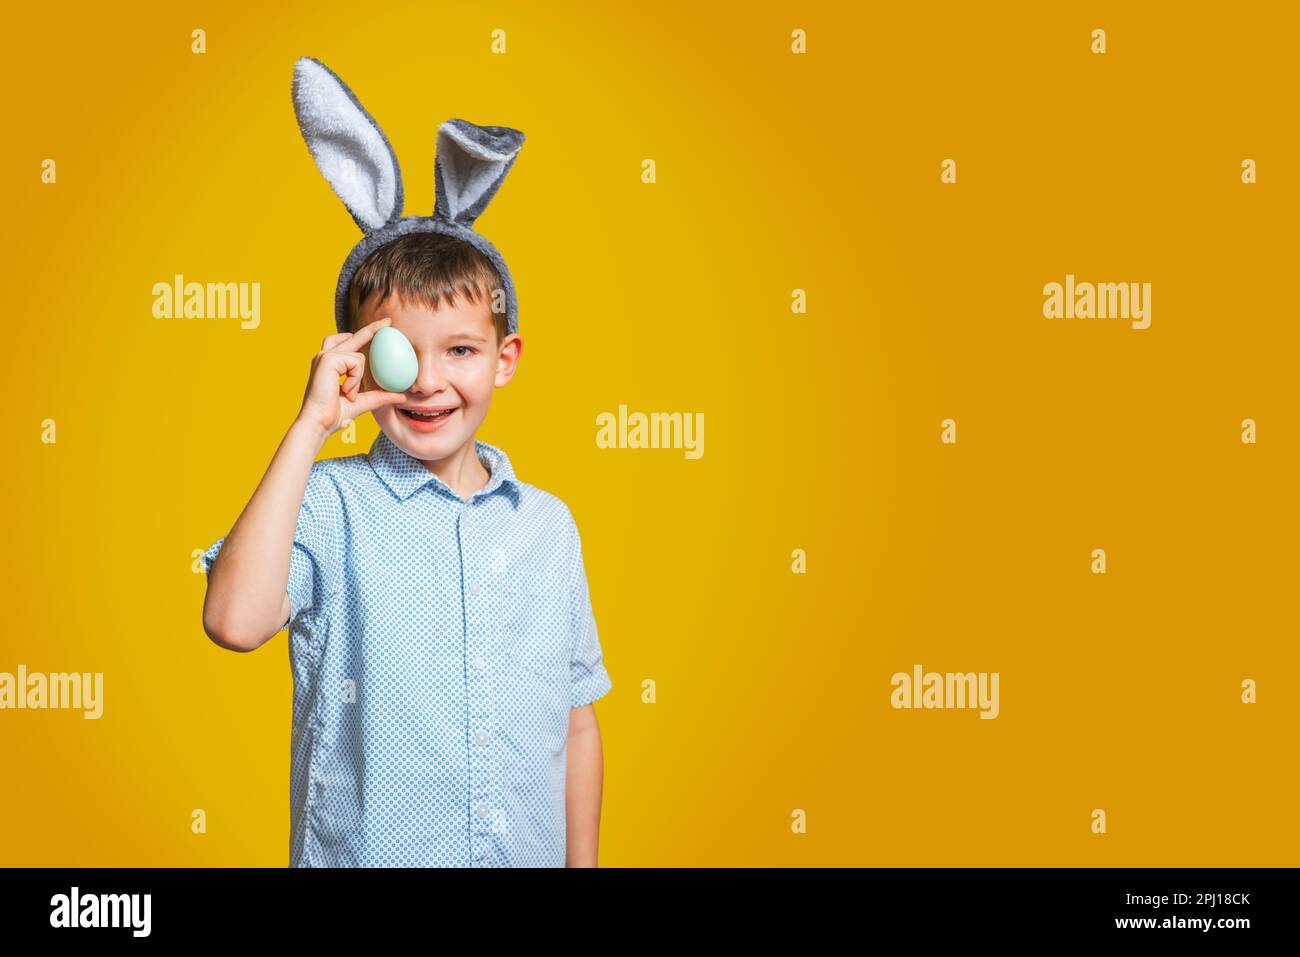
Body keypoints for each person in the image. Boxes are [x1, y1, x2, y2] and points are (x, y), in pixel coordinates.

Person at [199, 231, 612, 867]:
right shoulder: (330, 503)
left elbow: (576, 721)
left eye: (459, 350)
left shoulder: (547, 527)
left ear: (504, 359)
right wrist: (311, 426)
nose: (426, 382)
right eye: (399, 353)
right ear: (355, 360)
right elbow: (234, 622)